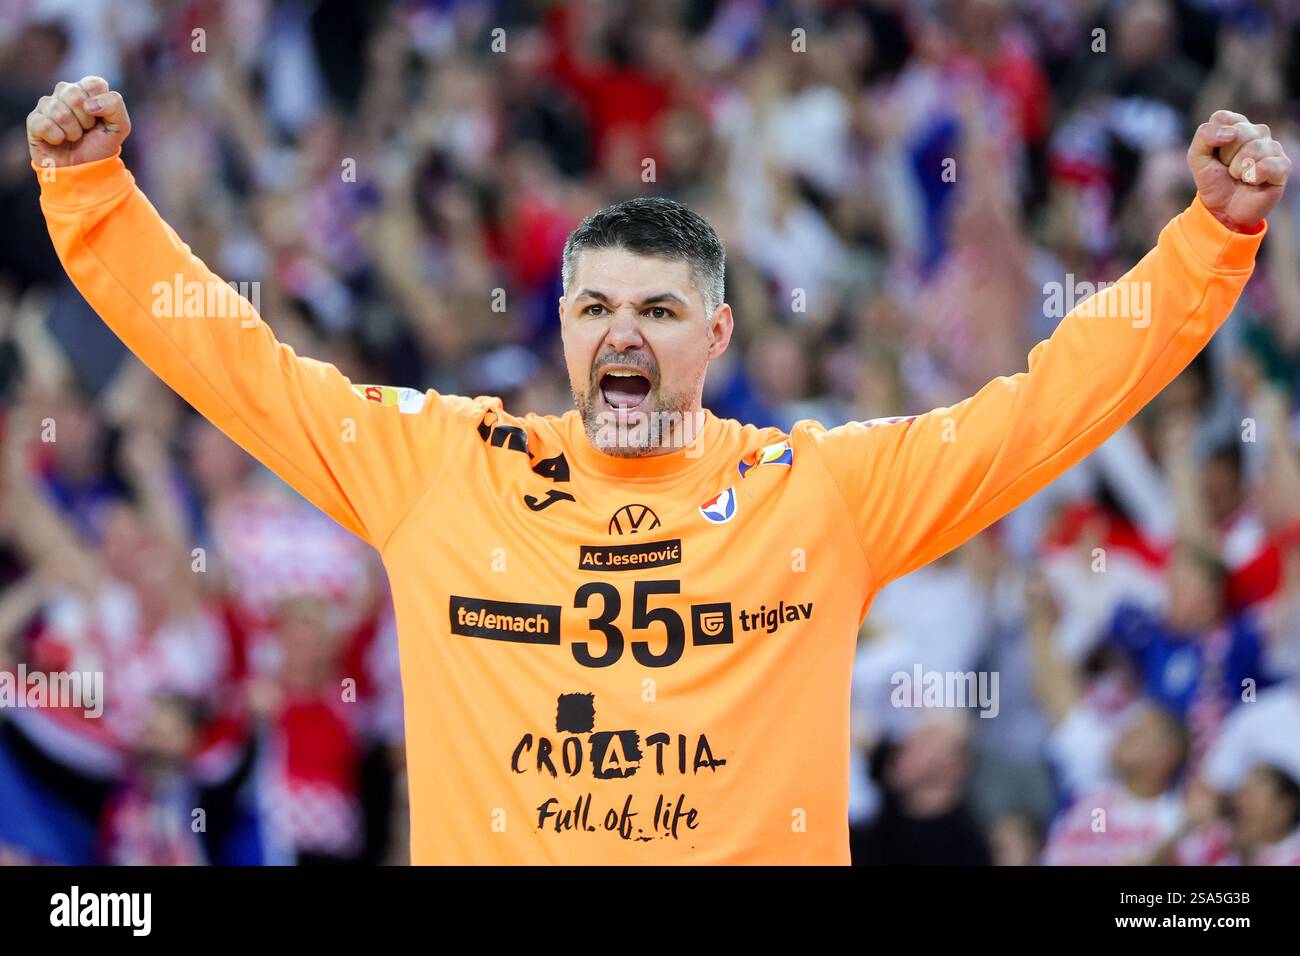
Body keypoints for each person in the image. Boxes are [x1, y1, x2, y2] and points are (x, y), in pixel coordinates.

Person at [25, 76, 1291, 864]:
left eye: (660, 310)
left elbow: (1044, 411)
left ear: (718, 335)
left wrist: (1206, 245)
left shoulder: (822, 491)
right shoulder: (444, 467)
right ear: (564, 327)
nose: (622, 331)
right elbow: (239, 366)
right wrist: (96, 202)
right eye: (596, 307)